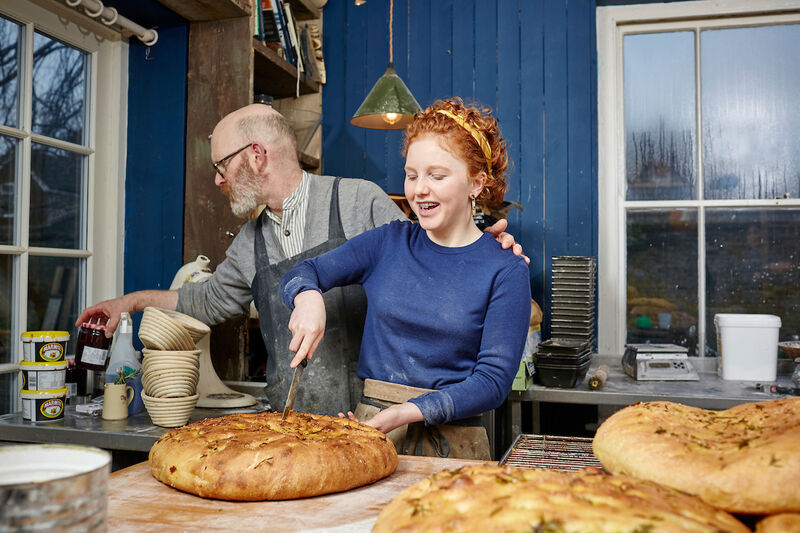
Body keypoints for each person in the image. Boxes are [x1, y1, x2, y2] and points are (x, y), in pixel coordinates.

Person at [76, 103, 527, 417]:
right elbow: (206, 302)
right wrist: (129, 303)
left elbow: (430, 259)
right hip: (295, 419)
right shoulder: (249, 243)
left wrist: (489, 248)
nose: (218, 180)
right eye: (411, 174)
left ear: (256, 156)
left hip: (369, 416)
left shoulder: (359, 202)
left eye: (221, 166)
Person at [280, 98, 531, 459]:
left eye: (437, 176)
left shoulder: (506, 269)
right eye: (412, 175)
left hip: (455, 446)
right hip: (372, 433)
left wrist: (408, 412)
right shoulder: (387, 243)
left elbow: (493, 382)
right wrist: (307, 297)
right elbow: (303, 272)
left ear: (476, 183)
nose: (419, 189)